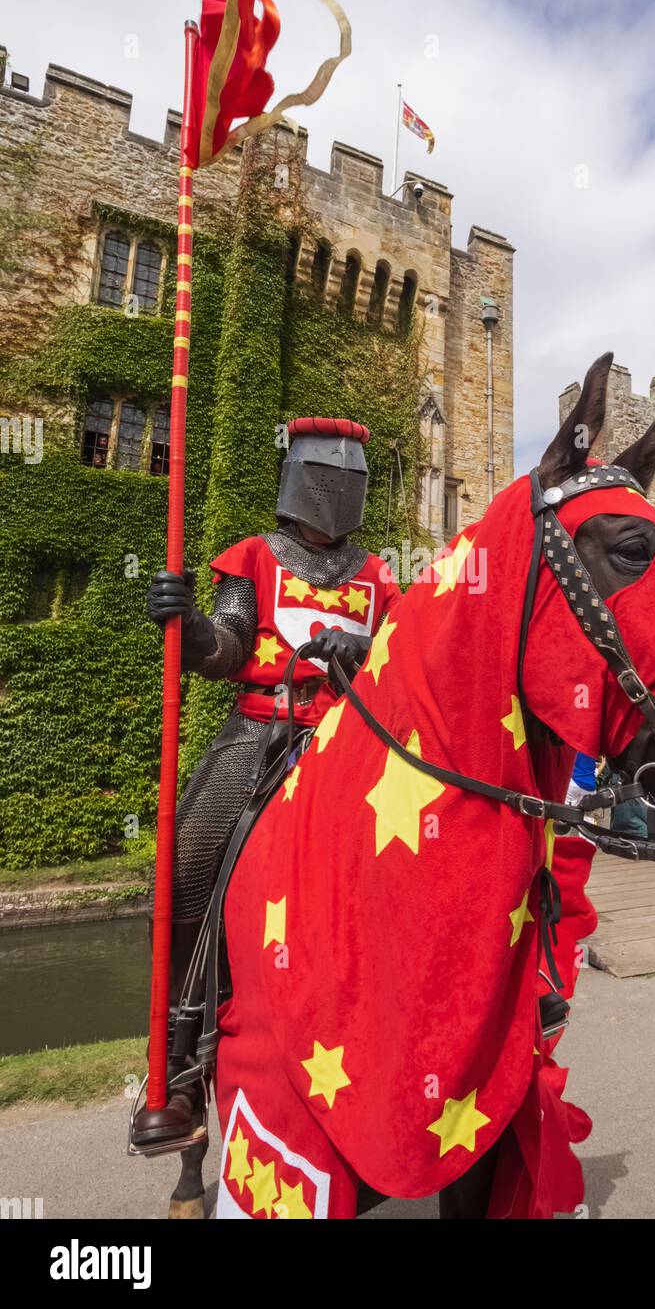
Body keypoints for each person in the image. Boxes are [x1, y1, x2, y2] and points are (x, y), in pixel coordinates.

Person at [137, 417, 400, 1142]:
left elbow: (407, 665)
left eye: (349, 481)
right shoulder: (253, 556)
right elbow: (226, 648)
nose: (335, 490)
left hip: (353, 741)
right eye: (326, 477)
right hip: (261, 732)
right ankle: (179, 1066)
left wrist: (369, 644)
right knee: (187, 868)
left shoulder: (379, 574)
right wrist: (189, 627)